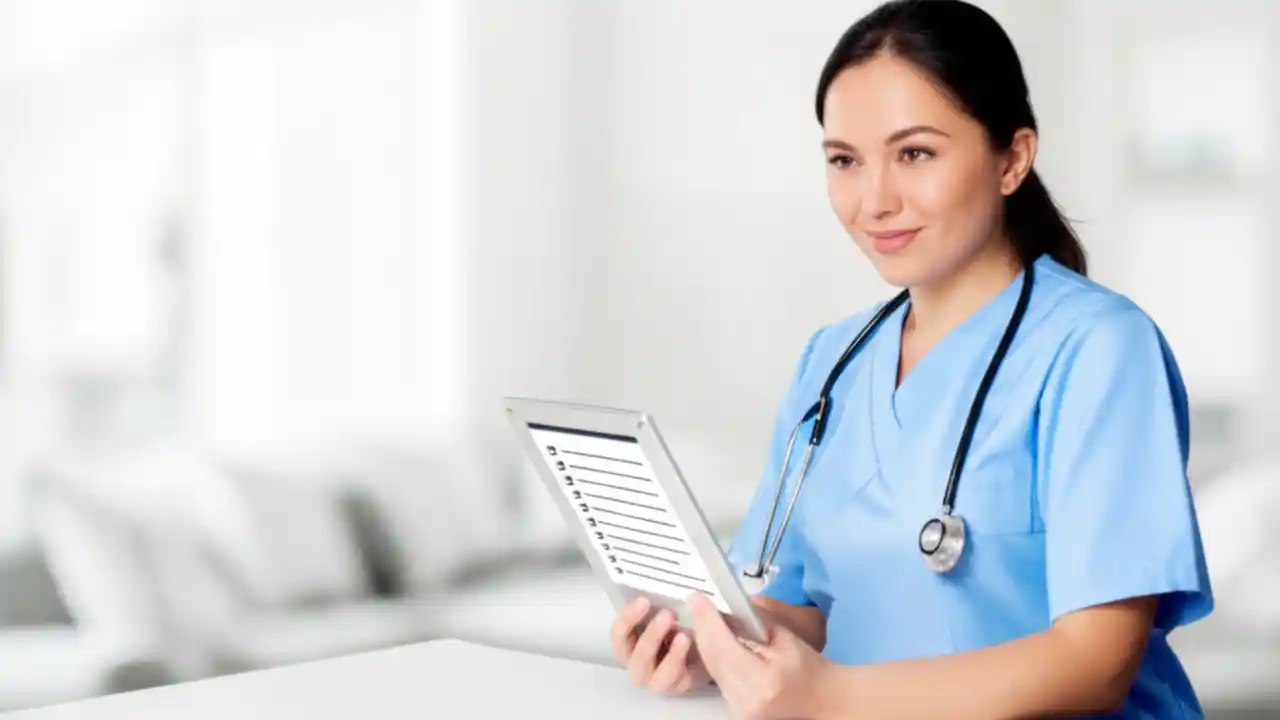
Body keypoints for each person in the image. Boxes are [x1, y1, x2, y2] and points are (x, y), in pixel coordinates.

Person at [608, 1, 1214, 717]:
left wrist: (833, 696)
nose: (875, 200)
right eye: (844, 161)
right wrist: (716, 646)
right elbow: (806, 609)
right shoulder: (831, 361)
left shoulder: (1099, 349)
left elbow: (1096, 660)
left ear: (1013, 159)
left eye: (915, 154)